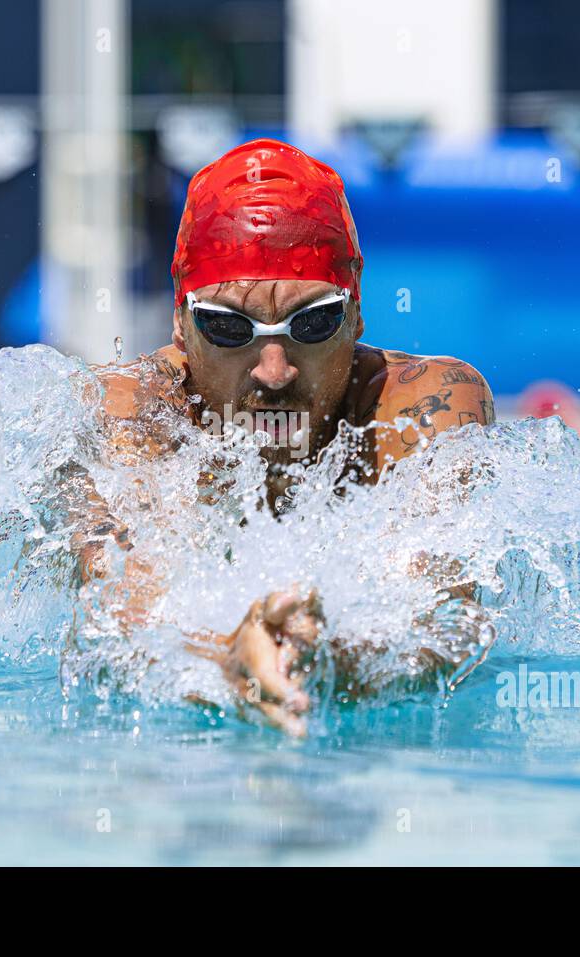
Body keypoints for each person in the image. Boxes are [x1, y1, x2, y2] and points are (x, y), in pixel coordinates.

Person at [71, 139, 497, 733]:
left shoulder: (422, 404)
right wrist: (225, 659)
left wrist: (341, 663)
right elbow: (125, 620)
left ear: (356, 313)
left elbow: (439, 617)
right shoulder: (129, 412)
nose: (274, 372)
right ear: (179, 322)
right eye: (227, 326)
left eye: (313, 321)